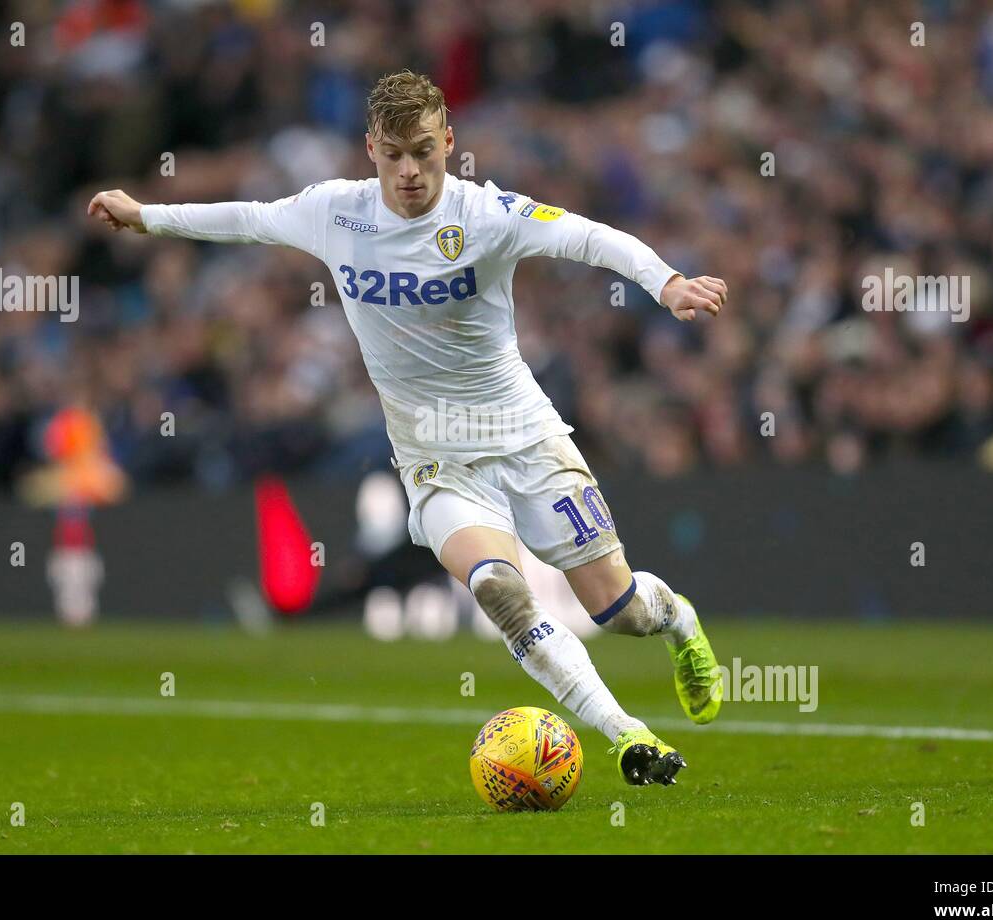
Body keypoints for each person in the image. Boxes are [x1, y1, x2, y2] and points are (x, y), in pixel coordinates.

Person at [87, 69, 729, 786]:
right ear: (370, 149)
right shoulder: (336, 213)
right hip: (434, 459)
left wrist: (667, 281)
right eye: (393, 153)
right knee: (499, 589)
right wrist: (148, 216)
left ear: (449, 142)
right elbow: (247, 218)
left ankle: (678, 619)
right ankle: (628, 736)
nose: (410, 170)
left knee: (618, 610)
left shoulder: (488, 215)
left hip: (523, 436)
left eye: (424, 151)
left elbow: (590, 239)